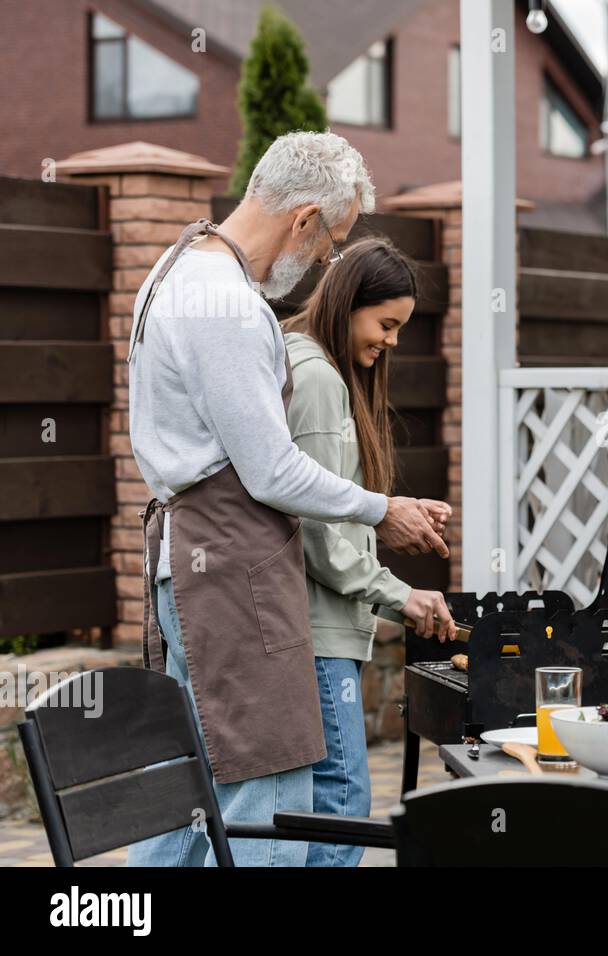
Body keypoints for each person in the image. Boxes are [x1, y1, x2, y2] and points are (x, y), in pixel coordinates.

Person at [126, 132, 449, 867]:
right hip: (236, 574)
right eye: (332, 242)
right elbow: (271, 472)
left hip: (190, 564)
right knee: (268, 796)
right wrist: (383, 509)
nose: (327, 261)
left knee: (187, 791)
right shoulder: (230, 305)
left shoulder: (172, 269)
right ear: (304, 218)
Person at [281, 237, 457, 866]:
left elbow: (326, 500)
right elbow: (311, 523)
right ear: (348, 303)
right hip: (319, 631)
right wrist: (397, 594)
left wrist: (386, 514)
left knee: (317, 802)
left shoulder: (307, 363)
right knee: (343, 799)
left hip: (313, 626)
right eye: (385, 324)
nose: (393, 340)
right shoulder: (318, 379)